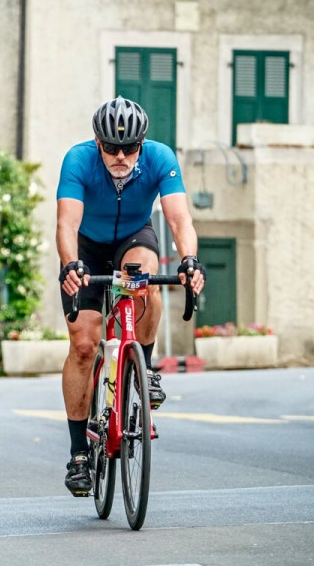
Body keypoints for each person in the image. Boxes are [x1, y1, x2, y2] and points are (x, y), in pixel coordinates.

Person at [56, 96, 206, 497]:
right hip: (87, 247)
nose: (120, 156)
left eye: (129, 148)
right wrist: (71, 265)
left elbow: (179, 218)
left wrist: (190, 259)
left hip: (133, 238)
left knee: (145, 280)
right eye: (110, 147)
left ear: (142, 143)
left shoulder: (160, 157)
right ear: (97, 141)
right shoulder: (78, 159)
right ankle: (78, 455)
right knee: (84, 345)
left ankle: (145, 366)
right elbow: (66, 223)